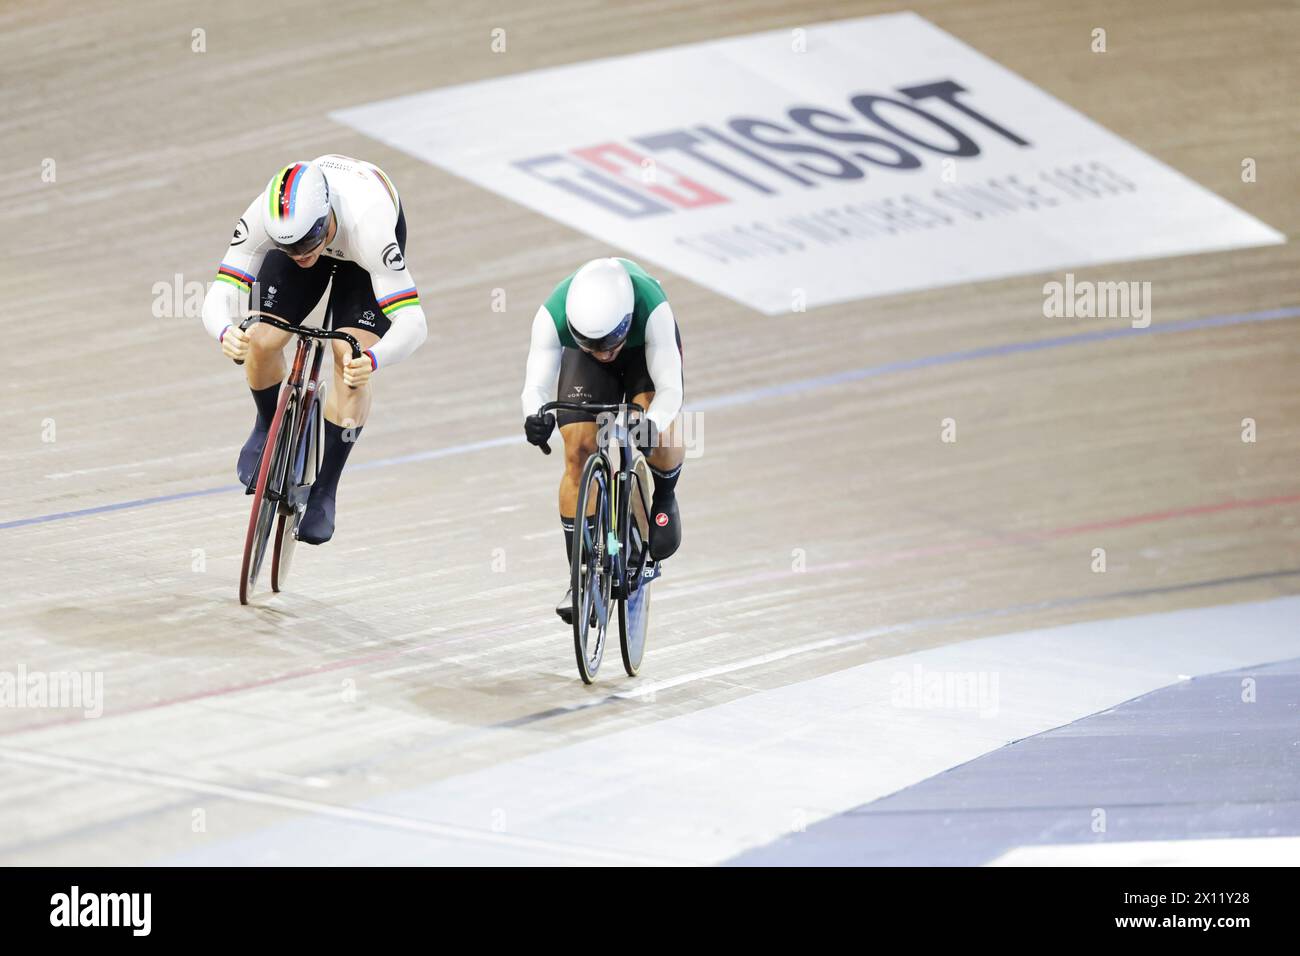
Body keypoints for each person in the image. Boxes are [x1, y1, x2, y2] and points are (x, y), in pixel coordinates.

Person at [200, 156, 428, 544]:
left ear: (324, 221)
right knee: (261, 338)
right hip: (320, 228)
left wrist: (374, 359)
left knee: (347, 355)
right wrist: (224, 330)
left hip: (360, 257)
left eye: (308, 242)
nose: (300, 253)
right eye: (286, 246)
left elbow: (414, 324)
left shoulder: (370, 228)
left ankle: (325, 489)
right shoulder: (267, 218)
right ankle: (266, 426)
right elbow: (221, 292)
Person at [521, 257, 685, 620]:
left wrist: (652, 423)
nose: (604, 351)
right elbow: (535, 386)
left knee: (656, 432)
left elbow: (671, 389)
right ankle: (580, 579)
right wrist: (534, 416)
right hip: (587, 367)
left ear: (626, 321)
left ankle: (665, 494)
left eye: (610, 342)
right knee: (578, 450)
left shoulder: (651, 307)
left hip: (644, 354)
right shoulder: (553, 315)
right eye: (593, 343)